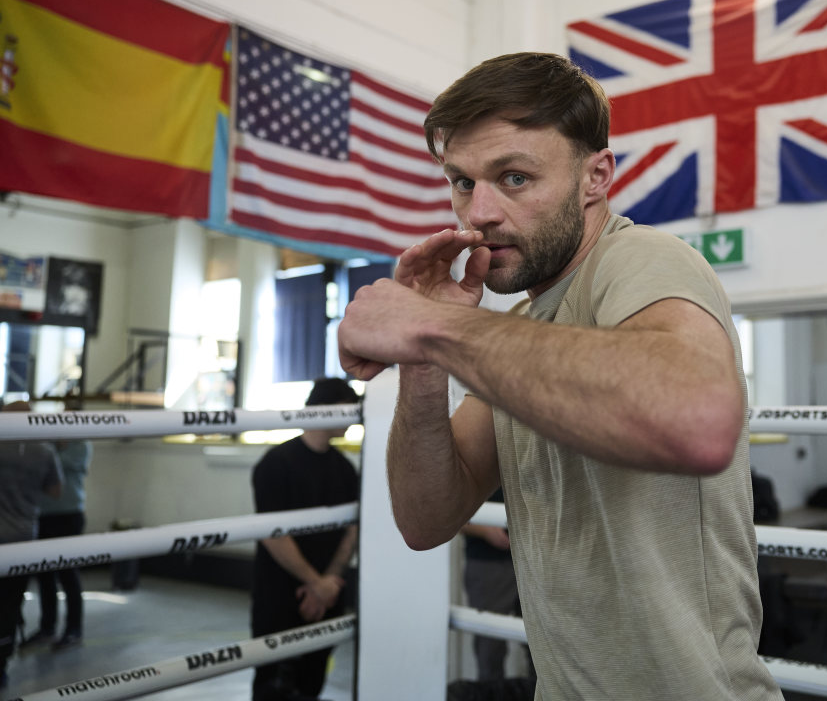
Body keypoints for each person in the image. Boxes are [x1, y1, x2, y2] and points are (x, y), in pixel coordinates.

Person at [337, 53, 784, 700]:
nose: (479, 213)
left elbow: (702, 421)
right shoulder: (526, 330)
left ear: (595, 176)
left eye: (513, 177)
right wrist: (423, 360)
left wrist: (434, 328)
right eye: (462, 183)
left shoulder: (642, 261)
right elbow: (425, 518)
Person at [250, 378, 361, 701]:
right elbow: (273, 534)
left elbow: (351, 530)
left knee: (312, 681)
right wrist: (317, 582)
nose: (354, 418)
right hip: (281, 594)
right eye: (349, 409)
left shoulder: (345, 469)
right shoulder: (276, 463)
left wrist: (327, 583)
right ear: (325, 409)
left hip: (327, 594)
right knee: (273, 684)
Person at [0, 401, 63, 689]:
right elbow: (55, 492)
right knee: (11, 604)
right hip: (24, 535)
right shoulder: (44, 449)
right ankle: (1, 665)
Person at [23, 435, 92, 651]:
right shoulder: (48, 446)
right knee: (44, 574)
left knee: (68, 573)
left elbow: (54, 464)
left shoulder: (81, 445)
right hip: (43, 515)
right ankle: (47, 627)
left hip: (69, 515)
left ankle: (74, 629)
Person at [460, 488, 529, 681]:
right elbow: (445, 514)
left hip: (530, 561)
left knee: (540, 646)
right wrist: (485, 530)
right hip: (488, 565)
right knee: (490, 649)